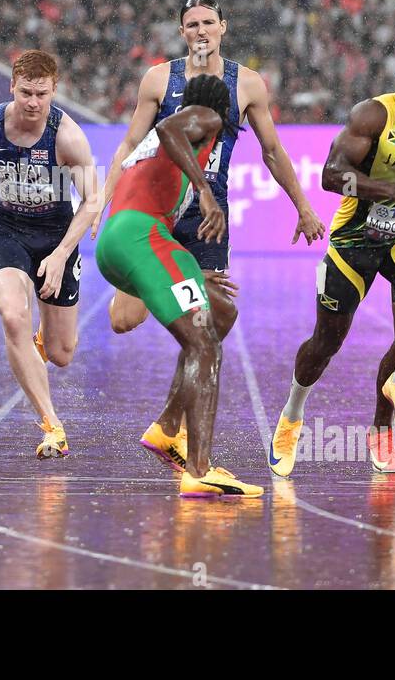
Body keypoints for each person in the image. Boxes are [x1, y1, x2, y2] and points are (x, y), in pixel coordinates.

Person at [269, 43, 395, 478]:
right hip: (355, 241)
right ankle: (291, 414)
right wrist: (394, 191)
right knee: (327, 343)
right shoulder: (373, 116)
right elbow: (330, 175)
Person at [96, 0, 324, 340]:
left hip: (207, 216)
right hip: (158, 207)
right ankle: (167, 280)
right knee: (124, 321)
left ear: (223, 27)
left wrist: (303, 207)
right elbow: (129, 146)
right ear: (182, 32)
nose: (201, 31)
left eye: (208, 23)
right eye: (192, 25)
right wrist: (104, 201)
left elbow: (273, 151)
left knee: (208, 324)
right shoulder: (159, 79)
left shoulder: (246, 83)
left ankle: (192, 378)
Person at [96, 75, 262, 497]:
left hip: (130, 242)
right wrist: (207, 192)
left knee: (221, 311)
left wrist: (188, 273)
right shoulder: (198, 118)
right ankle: (199, 469)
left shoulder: (174, 143)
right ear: (223, 111)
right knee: (204, 343)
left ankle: (168, 428)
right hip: (139, 236)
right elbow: (170, 128)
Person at [0, 49, 98, 458]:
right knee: (13, 317)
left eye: (42, 94)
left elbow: (92, 203)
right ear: (12, 86)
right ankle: (52, 424)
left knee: (61, 355)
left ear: (54, 91)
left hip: (56, 236)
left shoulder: (66, 136)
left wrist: (62, 255)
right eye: (26, 92)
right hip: (7, 232)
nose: (33, 102)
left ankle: (41, 340)